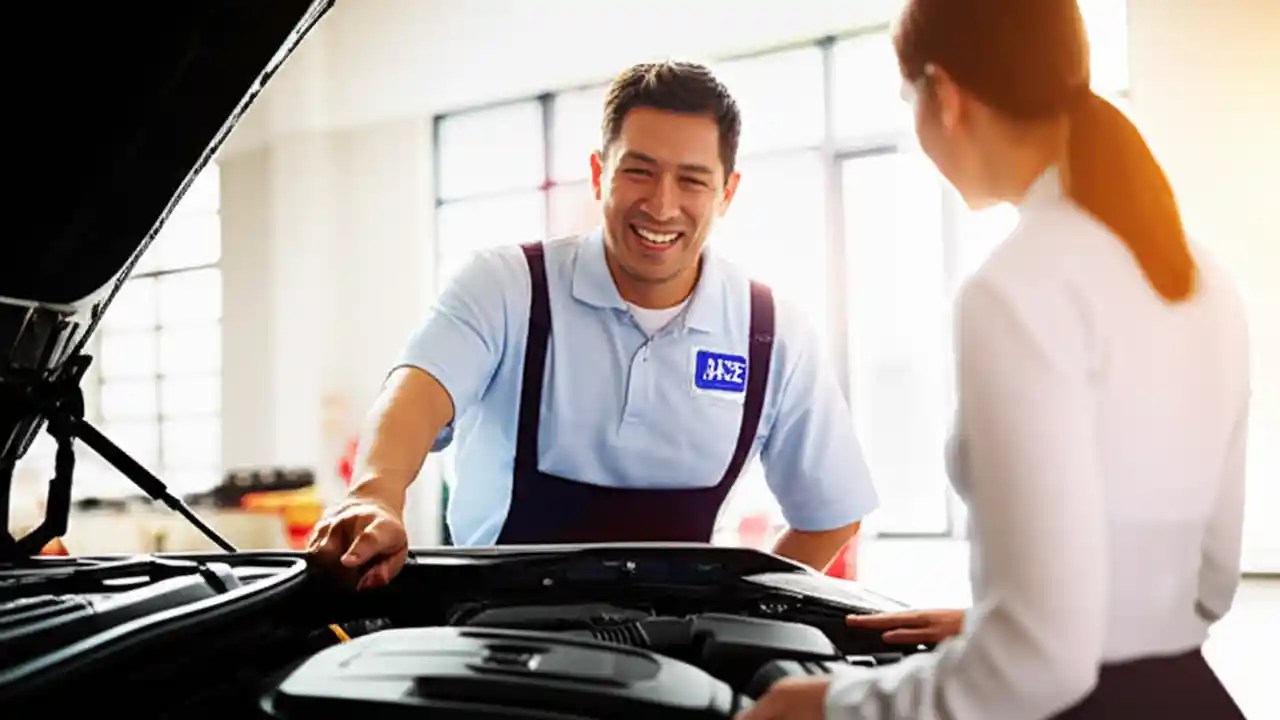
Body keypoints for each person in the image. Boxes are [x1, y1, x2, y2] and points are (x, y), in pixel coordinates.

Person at [742, 1, 1250, 718]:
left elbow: (1035, 671)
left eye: (908, 99)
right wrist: (1003, 624)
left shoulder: (1016, 288)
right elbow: (1209, 585)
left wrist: (829, 706)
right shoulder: (1199, 273)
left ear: (944, 96)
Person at [306, 60, 879, 590]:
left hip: (678, 651)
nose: (660, 205)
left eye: (692, 180)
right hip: (490, 636)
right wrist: (376, 494)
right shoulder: (509, 286)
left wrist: (742, 609)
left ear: (727, 192)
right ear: (599, 173)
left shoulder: (771, 332)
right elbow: (415, 396)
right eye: (639, 171)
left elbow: (830, 514)